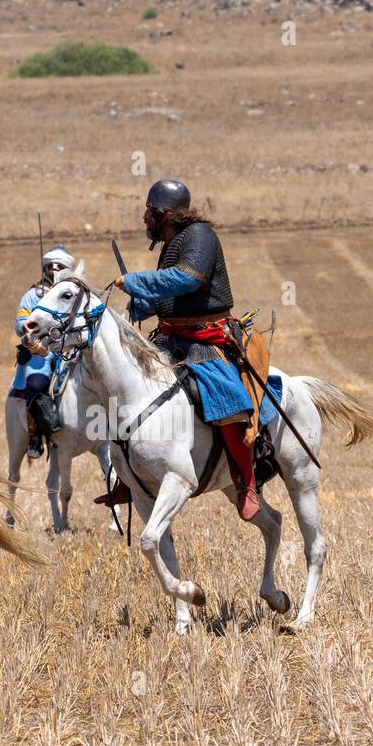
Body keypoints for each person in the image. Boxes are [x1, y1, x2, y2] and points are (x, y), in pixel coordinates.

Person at [101, 177, 269, 521]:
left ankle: (246, 483)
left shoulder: (200, 237)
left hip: (205, 339)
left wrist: (136, 282)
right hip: (169, 337)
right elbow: (173, 296)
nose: (145, 217)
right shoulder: (172, 241)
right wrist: (143, 306)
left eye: (149, 211)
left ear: (164, 213)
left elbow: (187, 280)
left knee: (228, 402)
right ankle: (130, 477)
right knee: (126, 388)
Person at [12, 246, 74, 459]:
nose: (54, 270)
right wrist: (30, 336)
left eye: (60, 266)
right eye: (50, 266)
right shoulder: (32, 295)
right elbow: (21, 323)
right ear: (45, 268)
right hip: (41, 353)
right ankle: (35, 435)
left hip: (70, 349)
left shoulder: (72, 293)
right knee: (36, 385)